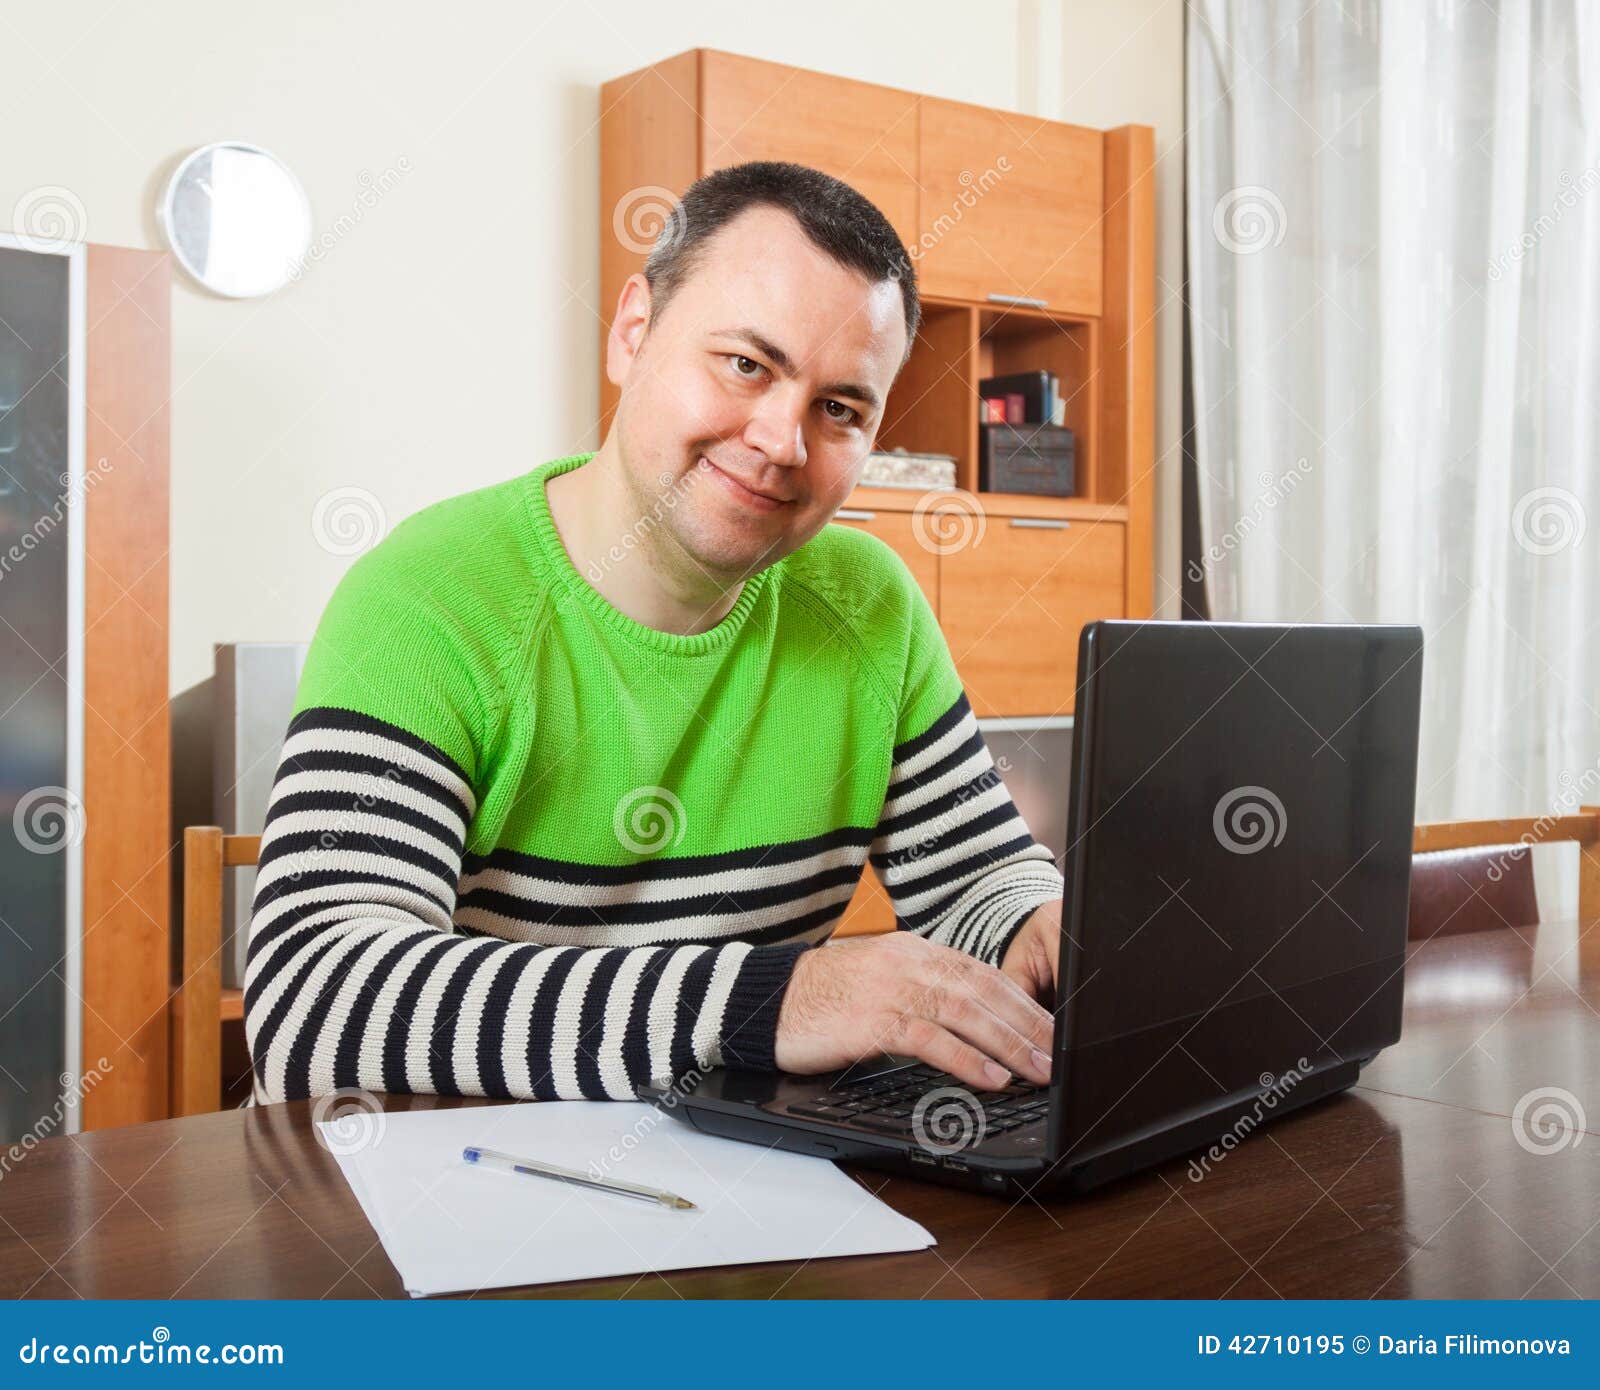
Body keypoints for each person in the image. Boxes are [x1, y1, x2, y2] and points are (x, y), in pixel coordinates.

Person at [243, 160, 1065, 1106]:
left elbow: (976, 884)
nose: (780, 440)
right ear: (633, 334)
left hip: (736, 1189)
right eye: (747, 365)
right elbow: (315, 1005)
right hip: (426, 1206)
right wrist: (770, 1003)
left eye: (839, 409)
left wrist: (1040, 930)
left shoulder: (867, 602)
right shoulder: (430, 597)